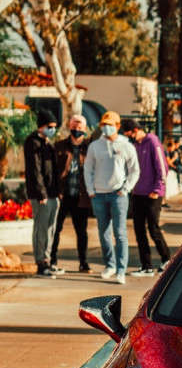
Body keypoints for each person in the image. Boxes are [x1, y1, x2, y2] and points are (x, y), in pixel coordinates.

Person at [84, 111, 139, 285]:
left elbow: (134, 170)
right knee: (104, 233)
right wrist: (91, 190)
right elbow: (88, 169)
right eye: (103, 125)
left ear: (117, 126)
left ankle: (121, 270)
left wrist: (126, 188)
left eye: (110, 124)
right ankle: (110, 265)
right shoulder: (94, 146)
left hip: (118, 195)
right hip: (98, 195)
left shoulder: (126, 145)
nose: (106, 127)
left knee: (120, 233)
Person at [121, 118, 171, 277]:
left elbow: (162, 167)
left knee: (153, 228)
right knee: (139, 230)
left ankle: (166, 259)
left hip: (152, 193)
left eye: (129, 134)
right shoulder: (135, 145)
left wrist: (157, 188)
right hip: (138, 193)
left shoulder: (152, 141)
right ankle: (146, 266)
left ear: (135, 130)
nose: (128, 137)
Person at [52, 115, 91, 273]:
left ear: (85, 128)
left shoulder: (89, 147)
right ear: (69, 126)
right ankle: (52, 260)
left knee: (81, 231)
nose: (77, 129)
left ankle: (83, 262)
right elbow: (53, 171)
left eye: (80, 126)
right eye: (74, 125)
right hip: (63, 195)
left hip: (81, 196)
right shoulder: (60, 146)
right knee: (56, 229)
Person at [23, 109, 60, 277]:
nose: (52, 129)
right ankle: (40, 262)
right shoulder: (32, 143)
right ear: (42, 126)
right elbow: (35, 171)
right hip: (41, 196)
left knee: (51, 229)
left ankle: (48, 259)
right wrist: (41, 193)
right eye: (50, 126)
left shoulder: (47, 143)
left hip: (52, 194)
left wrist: (57, 192)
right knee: (41, 229)